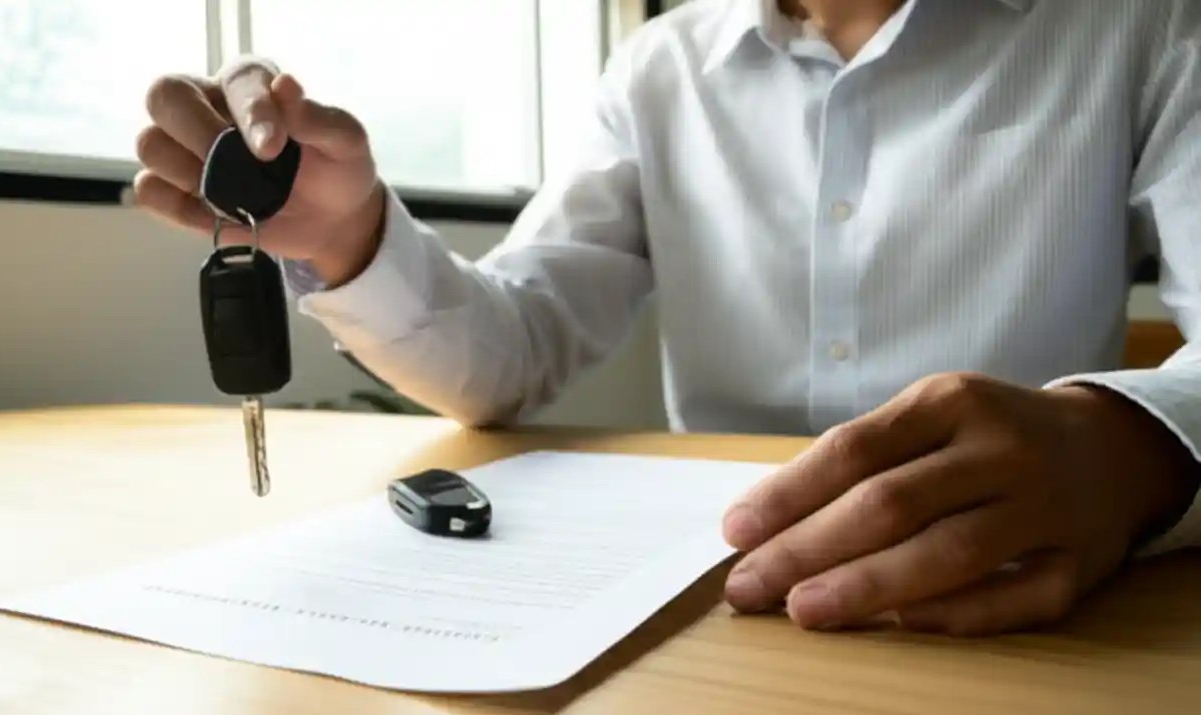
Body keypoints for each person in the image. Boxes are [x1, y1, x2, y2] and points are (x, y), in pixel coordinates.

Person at [133, 0, 1201, 637]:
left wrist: (1133, 445)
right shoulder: (657, 67)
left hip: (1029, 604)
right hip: (708, 603)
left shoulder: (1144, 26)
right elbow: (509, 353)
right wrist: (349, 238)